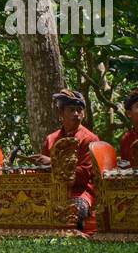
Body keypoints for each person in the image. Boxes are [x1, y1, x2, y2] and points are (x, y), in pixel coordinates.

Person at [28, 88, 101, 230]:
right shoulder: (51, 139)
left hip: (81, 192)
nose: (76, 114)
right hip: (53, 191)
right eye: (71, 109)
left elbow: (84, 175)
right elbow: (45, 173)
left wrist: (53, 163)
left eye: (79, 110)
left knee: (73, 213)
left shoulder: (90, 139)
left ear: (84, 113)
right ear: (61, 113)